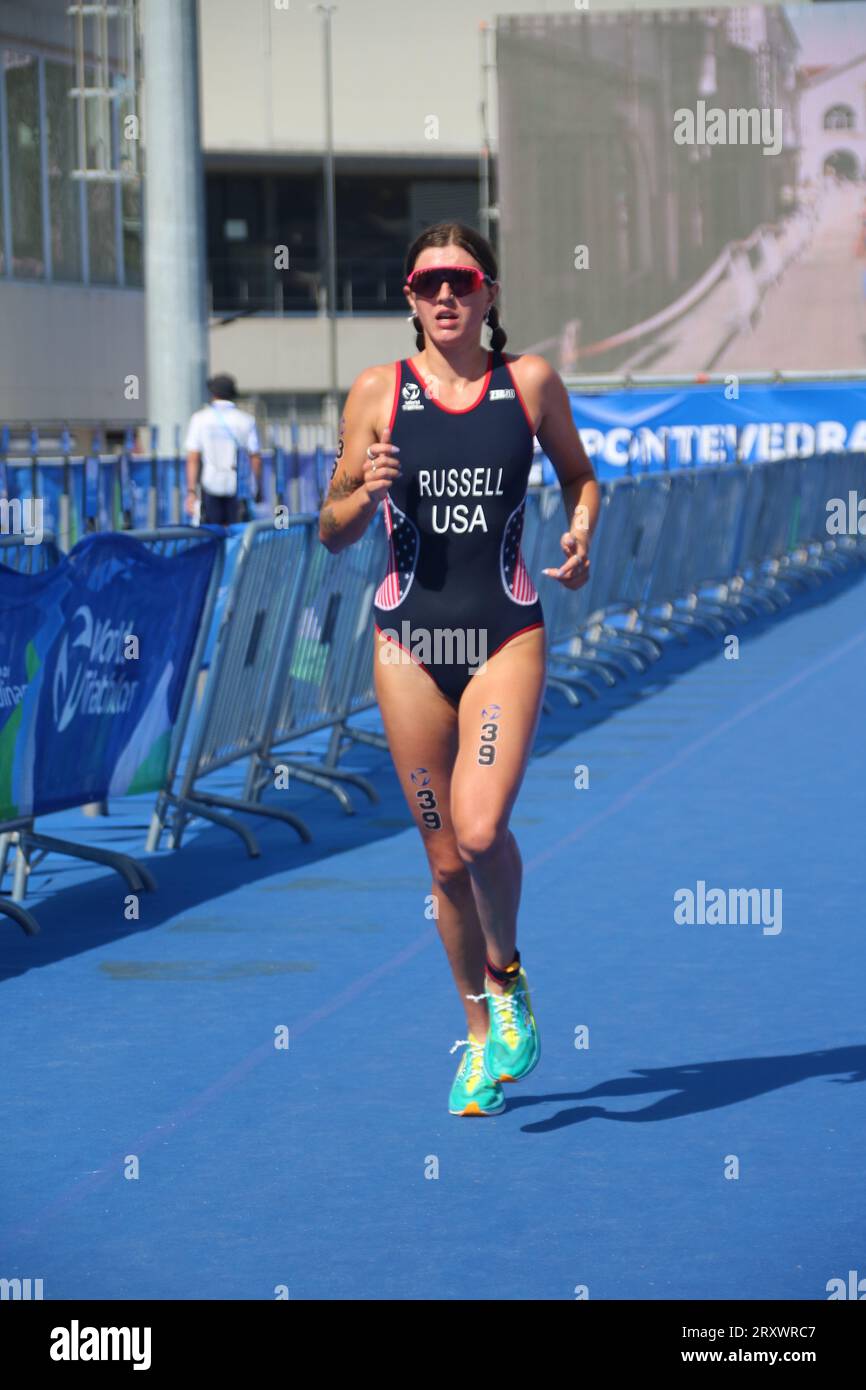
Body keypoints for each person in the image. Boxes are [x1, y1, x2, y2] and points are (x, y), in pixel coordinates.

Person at [319, 222, 599, 1116]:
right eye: (429, 283)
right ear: (409, 297)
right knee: (443, 867)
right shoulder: (377, 392)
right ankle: (480, 1039)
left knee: (480, 833)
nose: (446, 296)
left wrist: (582, 529)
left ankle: (509, 975)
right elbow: (329, 530)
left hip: (503, 636)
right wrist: (364, 490)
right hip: (408, 647)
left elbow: (580, 478)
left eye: (463, 281)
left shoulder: (530, 384)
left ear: (490, 295)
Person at [184, 373, 262, 525]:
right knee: (238, 535)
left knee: (212, 534)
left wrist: (191, 492)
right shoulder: (246, 420)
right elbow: (255, 457)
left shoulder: (199, 419)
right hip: (238, 487)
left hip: (210, 483)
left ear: (213, 394)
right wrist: (258, 487)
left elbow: (193, 458)